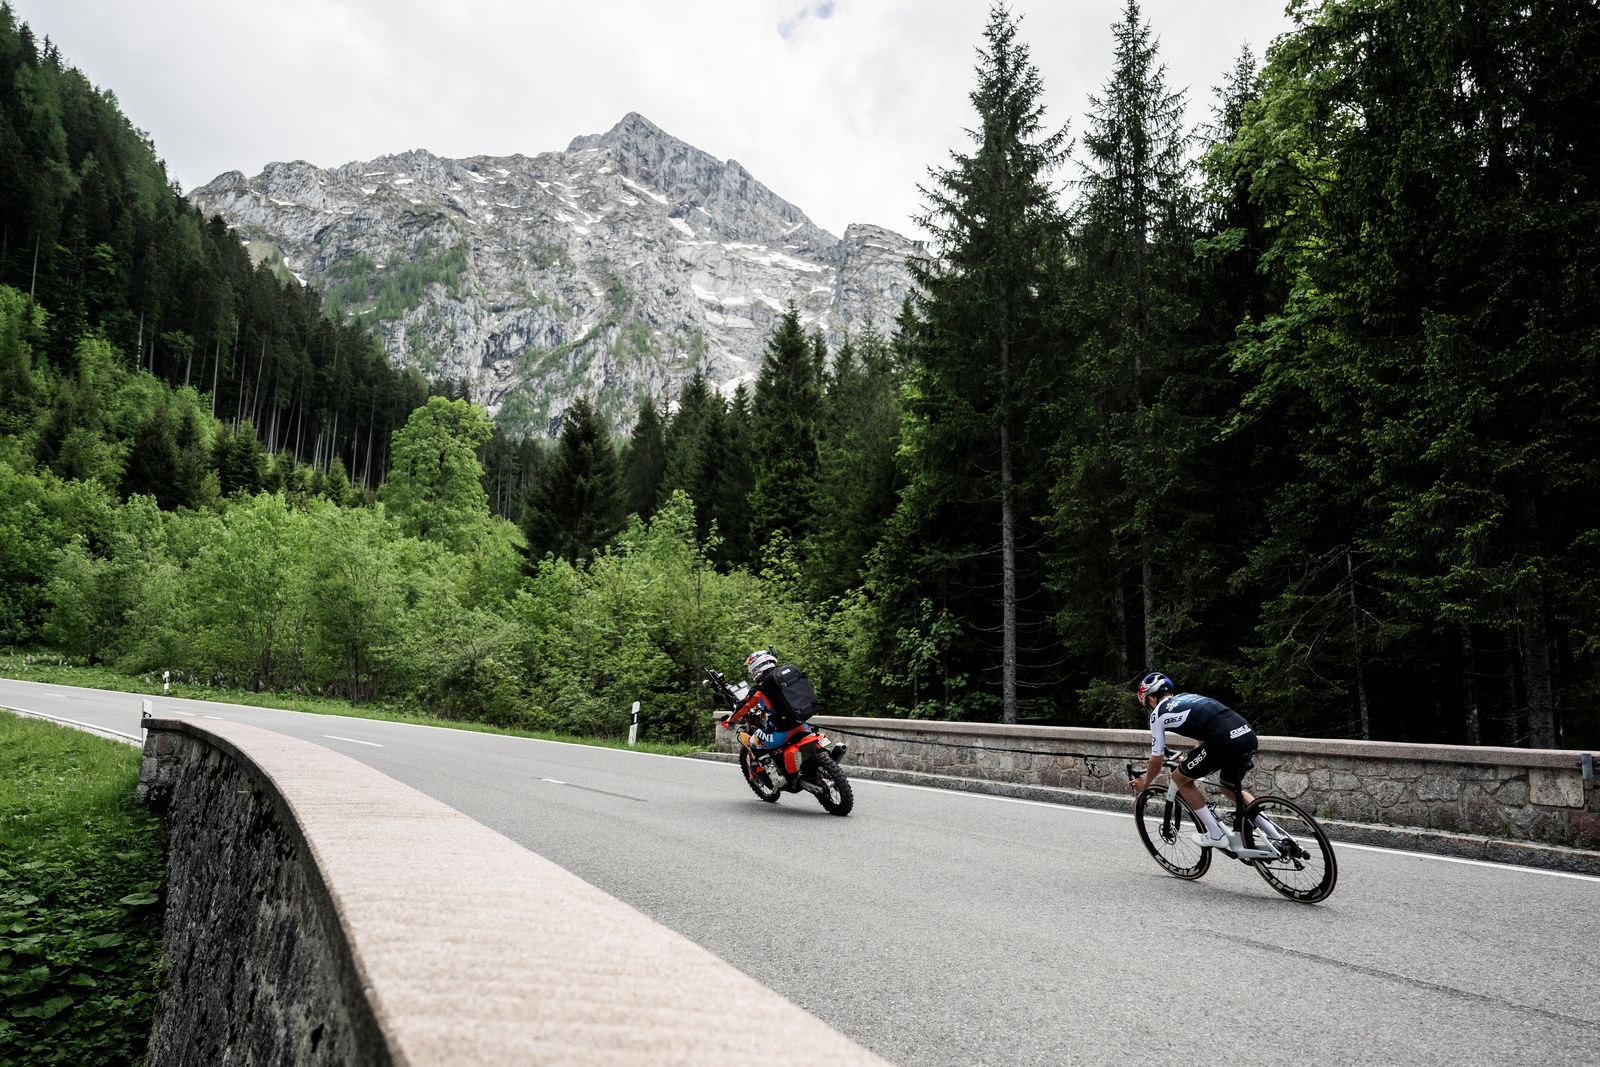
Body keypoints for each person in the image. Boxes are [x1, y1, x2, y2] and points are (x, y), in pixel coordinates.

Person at [1126, 671, 1278, 850]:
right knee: (1229, 788)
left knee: (1180, 779)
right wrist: (1190, 759)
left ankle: (1216, 834)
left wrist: (1145, 783)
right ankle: (1276, 836)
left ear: (1151, 699)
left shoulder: (1157, 713)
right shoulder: (1188, 697)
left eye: (1147, 702)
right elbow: (1206, 732)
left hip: (1223, 740)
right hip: (1246, 734)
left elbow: (1156, 759)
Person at [721, 649, 801, 782]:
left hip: (783, 730)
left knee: (754, 741)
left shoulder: (760, 688)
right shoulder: (785, 676)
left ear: (758, 668)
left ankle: (777, 777)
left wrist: (730, 721)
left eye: (753, 670)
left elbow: (744, 706)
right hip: (802, 723)